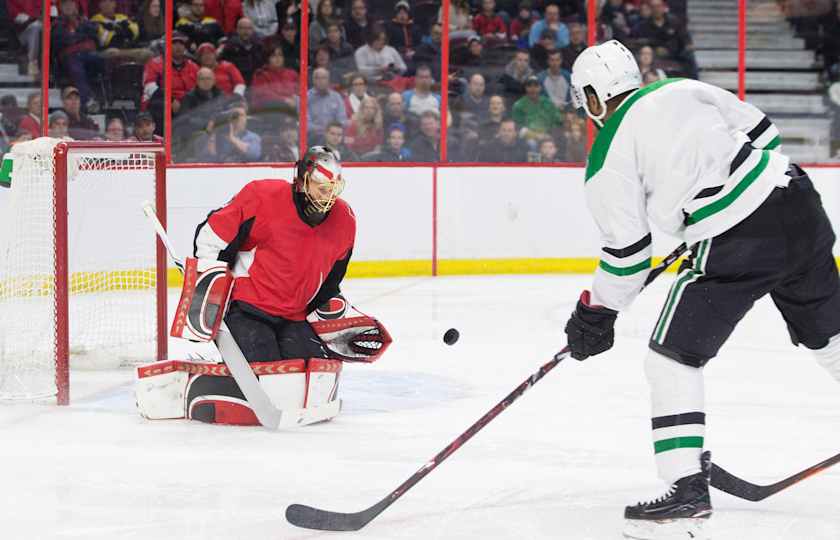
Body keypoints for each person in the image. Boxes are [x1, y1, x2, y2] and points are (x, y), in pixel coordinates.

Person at [563, 39, 840, 538]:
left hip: (739, 243)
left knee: (671, 359)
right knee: (831, 338)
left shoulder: (606, 155)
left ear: (593, 97)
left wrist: (596, 313)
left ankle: (685, 490)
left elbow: (627, 257)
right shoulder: (681, 88)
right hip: (798, 202)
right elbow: (764, 135)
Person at [188, 146, 357, 423]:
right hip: (247, 307)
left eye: (333, 187)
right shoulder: (263, 196)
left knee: (313, 374)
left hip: (293, 314)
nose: (328, 195)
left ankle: (239, 366)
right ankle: (209, 376)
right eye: (320, 187)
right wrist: (209, 289)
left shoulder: (345, 220)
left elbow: (330, 281)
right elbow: (211, 236)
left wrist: (328, 317)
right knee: (269, 374)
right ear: (302, 180)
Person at [249, 45, 298, 111]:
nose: (278, 58)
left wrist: (296, 99)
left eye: (280, 55)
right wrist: (284, 100)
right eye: (273, 56)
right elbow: (263, 96)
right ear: (267, 58)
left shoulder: (292, 74)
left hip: (291, 111)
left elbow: (300, 92)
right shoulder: (260, 75)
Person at [219, 16, 265, 84]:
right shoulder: (230, 46)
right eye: (242, 28)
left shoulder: (259, 45)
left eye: (248, 28)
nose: (246, 31)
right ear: (237, 30)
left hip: (256, 80)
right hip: (236, 80)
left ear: (252, 30)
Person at [307, 66, 347, 140]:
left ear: (328, 80)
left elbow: (342, 120)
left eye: (324, 78)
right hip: (314, 138)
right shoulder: (305, 98)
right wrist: (326, 131)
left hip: (335, 137)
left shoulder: (336, 97)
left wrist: (332, 132)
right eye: (318, 78)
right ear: (313, 80)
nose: (321, 81)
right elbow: (306, 124)